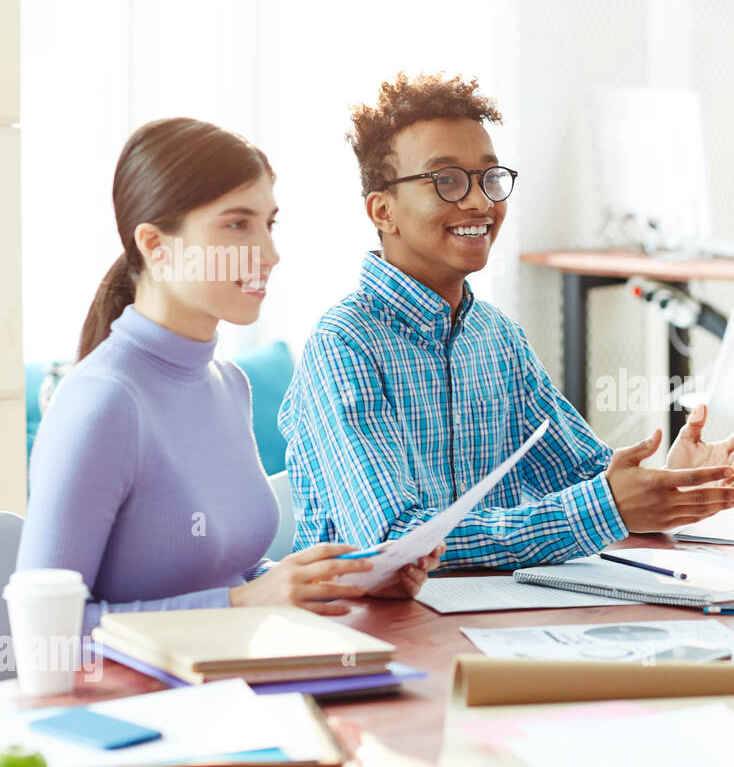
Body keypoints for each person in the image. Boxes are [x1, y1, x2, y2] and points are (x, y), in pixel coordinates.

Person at [278, 73, 734, 568]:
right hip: (376, 632)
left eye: (489, 178)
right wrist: (610, 506)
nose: (480, 202)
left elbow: (584, 477)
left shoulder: (497, 336)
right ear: (383, 211)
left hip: (492, 614)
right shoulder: (344, 344)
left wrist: (663, 485)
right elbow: (395, 542)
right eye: (446, 180)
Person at [17, 118, 439, 632]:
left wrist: (342, 580)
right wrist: (241, 606)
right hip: (147, 706)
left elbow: (225, 576)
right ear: (154, 244)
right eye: (238, 225)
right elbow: (45, 634)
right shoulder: (101, 402)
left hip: (232, 683)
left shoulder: (228, 384)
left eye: (269, 223)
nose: (269, 253)